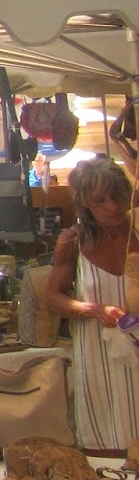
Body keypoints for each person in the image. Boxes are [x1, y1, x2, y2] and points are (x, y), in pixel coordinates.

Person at [46, 157, 139, 453]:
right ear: (85, 202)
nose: (112, 206)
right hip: (96, 355)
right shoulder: (73, 241)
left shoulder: (137, 234)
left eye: (119, 197)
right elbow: (53, 299)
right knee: (102, 445)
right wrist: (94, 310)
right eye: (101, 200)